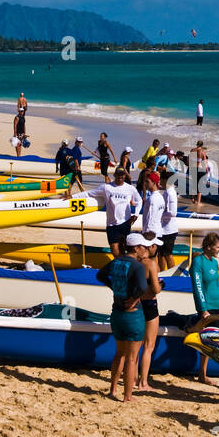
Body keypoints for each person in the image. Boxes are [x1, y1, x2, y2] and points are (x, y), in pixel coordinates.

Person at [96, 233, 151, 402]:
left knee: (119, 353)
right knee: (132, 358)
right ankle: (127, 396)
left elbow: (100, 275)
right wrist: (134, 298)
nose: (146, 249)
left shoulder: (117, 261)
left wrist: (114, 287)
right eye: (144, 246)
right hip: (132, 315)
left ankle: (112, 389)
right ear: (136, 248)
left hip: (117, 313)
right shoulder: (138, 266)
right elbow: (143, 287)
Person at [188, 232, 219, 391]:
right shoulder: (198, 262)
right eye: (218, 247)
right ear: (208, 247)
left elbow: (214, 285)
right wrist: (203, 310)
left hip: (218, 305)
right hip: (208, 308)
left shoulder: (213, 262)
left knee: (207, 340)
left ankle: (202, 374)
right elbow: (197, 287)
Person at [76, 166, 142, 256]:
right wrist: (72, 197)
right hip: (111, 224)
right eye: (118, 174)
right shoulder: (106, 188)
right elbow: (89, 193)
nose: (120, 177)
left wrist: (136, 214)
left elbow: (139, 201)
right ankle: (120, 263)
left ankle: (123, 266)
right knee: (114, 250)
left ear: (125, 176)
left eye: (122, 175)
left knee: (123, 248)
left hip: (125, 223)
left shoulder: (130, 188)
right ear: (115, 175)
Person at [135, 233, 165, 394]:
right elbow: (154, 289)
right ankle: (143, 382)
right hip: (150, 304)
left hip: (137, 304)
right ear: (150, 247)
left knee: (136, 345)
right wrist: (162, 285)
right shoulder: (150, 264)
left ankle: (132, 378)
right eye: (156, 246)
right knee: (149, 346)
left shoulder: (134, 262)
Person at [157, 170, 180, 269]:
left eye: (160, 179)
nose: (159, 182)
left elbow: (173, 213)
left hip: (169, 230)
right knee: (161, 254)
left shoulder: (171, 193)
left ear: (165, 180)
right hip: (164, 229)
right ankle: (162, 274)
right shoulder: (167, 192)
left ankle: (173, 278)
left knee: (168, 254)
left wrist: (160, 215)